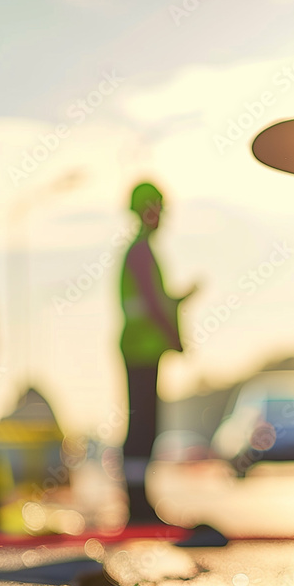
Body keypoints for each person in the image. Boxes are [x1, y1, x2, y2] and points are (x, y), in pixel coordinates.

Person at [120, 181, 195, 524]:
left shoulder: (141, 251)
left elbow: (156, 300)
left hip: (144, 349)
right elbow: (151, 303)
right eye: (158, 207)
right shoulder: (140, 252)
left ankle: (138, 503)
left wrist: (179, 301)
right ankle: (136, 506)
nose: (162, 214)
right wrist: (173, 335)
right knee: (142, 425)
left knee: (144, 424)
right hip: (141, 350)